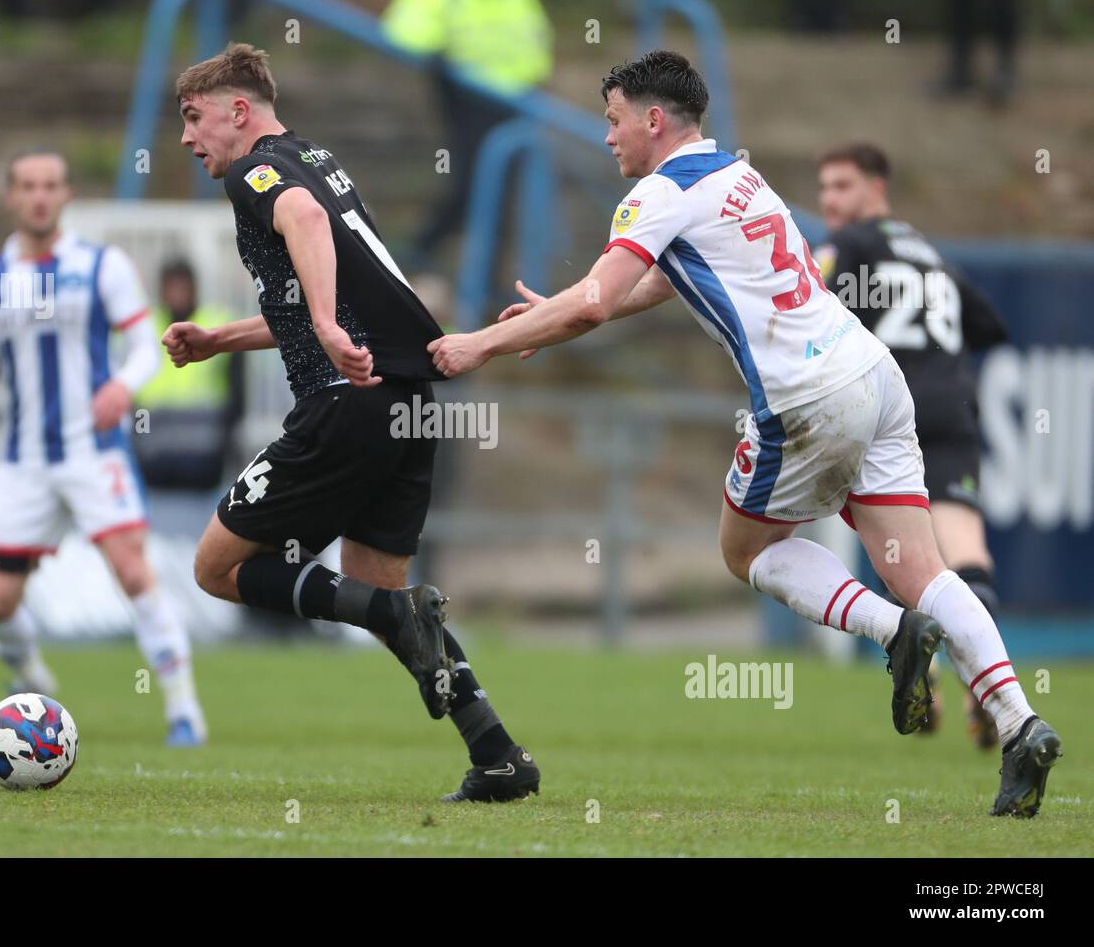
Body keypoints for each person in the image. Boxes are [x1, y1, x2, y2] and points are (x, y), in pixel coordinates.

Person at [429, 50, 1062, 817]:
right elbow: (657, 279)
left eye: (614, 120)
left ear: (653, 120)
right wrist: (553, 308)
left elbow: (597, 304)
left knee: (746, 550)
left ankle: (895, 633)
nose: (607, 138)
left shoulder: (659, 192)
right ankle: (1019, 723)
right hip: (875, 375)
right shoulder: (736, 175)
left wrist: (479, 345)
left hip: (806, 400)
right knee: (924, 567)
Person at [164, 43, 538, 802]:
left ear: (239, 111)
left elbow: (304, 238)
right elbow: (310, 293)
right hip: (402, 404)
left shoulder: (256, 174)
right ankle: (499, 756)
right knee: (377, 590)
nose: (185, 137)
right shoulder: (314, 158)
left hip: (345, 400)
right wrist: (219, 339)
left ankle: (396, 614)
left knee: (216, 569)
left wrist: (331, 329)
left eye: (193, 118)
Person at [0, 150, 208, 746]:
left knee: (133, 571)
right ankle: (32, 679)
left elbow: (146, 347)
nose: (40, 196)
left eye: (50, 185)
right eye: (28, 186)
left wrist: (122, 387)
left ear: (66, 195)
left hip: (93, 453)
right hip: (23, 463)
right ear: (12, 197)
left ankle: (183, 708)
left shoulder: (102, 266)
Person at [816, 142, 1010, 749]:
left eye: (842, 186)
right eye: (823, 188)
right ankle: (988, 691)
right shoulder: (935, 257)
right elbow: (991, 328)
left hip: (889, 413)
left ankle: (919, 669)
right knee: (963, 554)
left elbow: (805, 295)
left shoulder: (851, 245)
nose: (828, 200)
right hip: (951, 412)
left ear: (877, 189)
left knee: (900, 557)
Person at [382, 0, 553, 275]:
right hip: (466, 99)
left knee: (497, 195)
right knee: (470, 185)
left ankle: (482, 281)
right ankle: (419, 255)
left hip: (514, 103)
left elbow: (537, 44)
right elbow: (406, 35)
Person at [133, 258, 245, 491]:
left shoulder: (218, 326)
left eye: (182, 287)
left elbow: (237, 397)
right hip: (153, 460)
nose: (177, 294)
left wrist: (223, 442)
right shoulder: (145, 327)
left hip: (205, 461)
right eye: (172, 287)